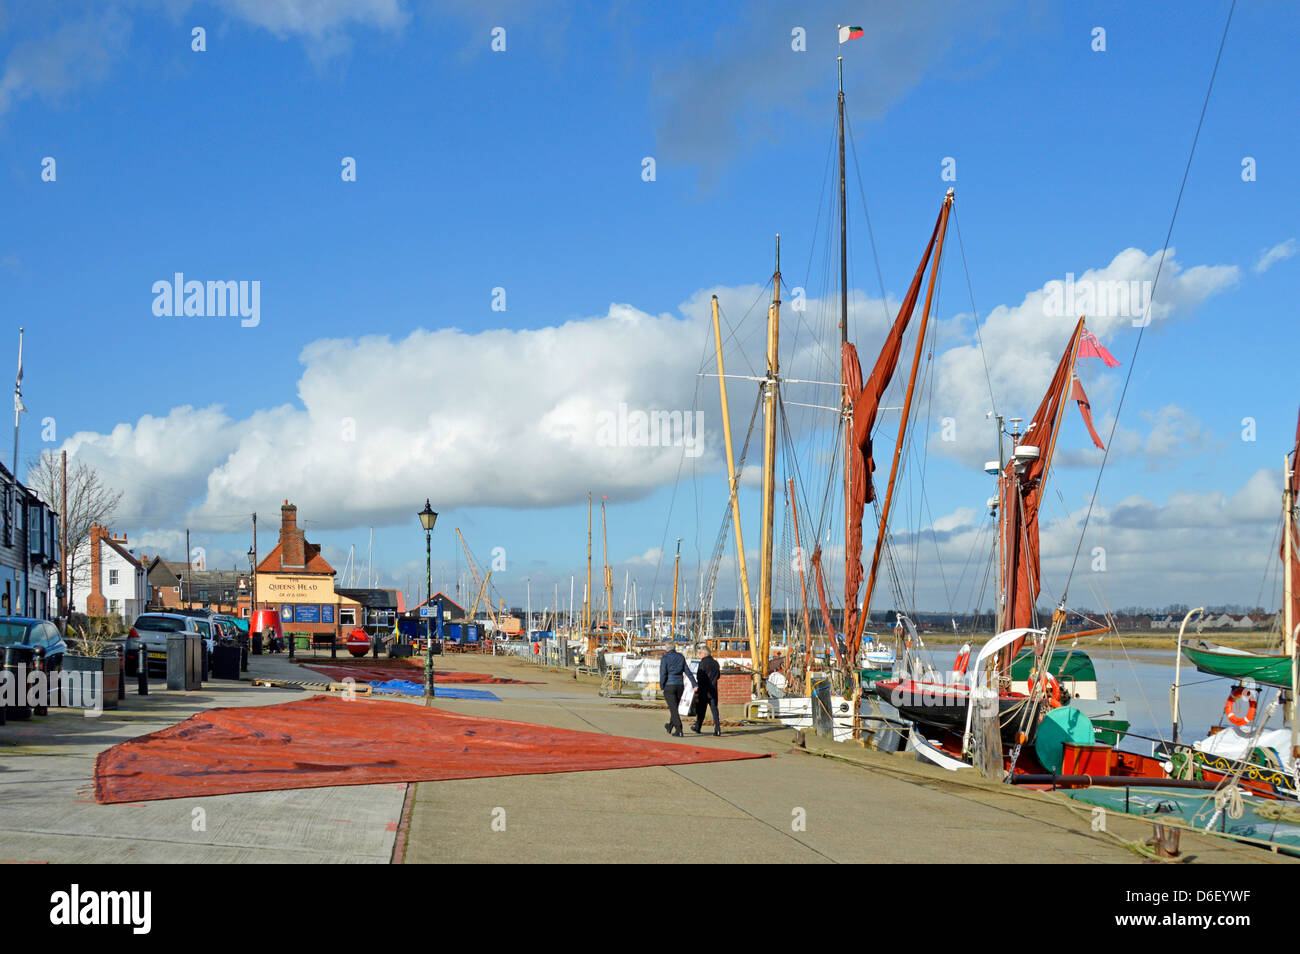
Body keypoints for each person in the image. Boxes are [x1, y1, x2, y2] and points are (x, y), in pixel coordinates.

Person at [659, 641, 696, 737]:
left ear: (667, 649)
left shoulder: (665, 658)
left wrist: (662, 686)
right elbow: (687, 671)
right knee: (675, 708)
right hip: (680, 685)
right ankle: (670, 726)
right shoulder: (681, 657)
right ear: (674, 648)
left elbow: (663, 673)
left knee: (673, 709)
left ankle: (679, 729)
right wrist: (694, 684)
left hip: (669, 685)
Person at [691, 646, 722, 736]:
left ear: (704, 654)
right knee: (714, 710)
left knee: (701, 710)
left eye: (700, 653)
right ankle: (718, 729)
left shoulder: (702, 663)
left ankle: (698, 727)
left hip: (704, 690)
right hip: (713, 690)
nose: (699, 655)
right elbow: (718, 676)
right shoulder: (716, 663)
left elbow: (699, 677)